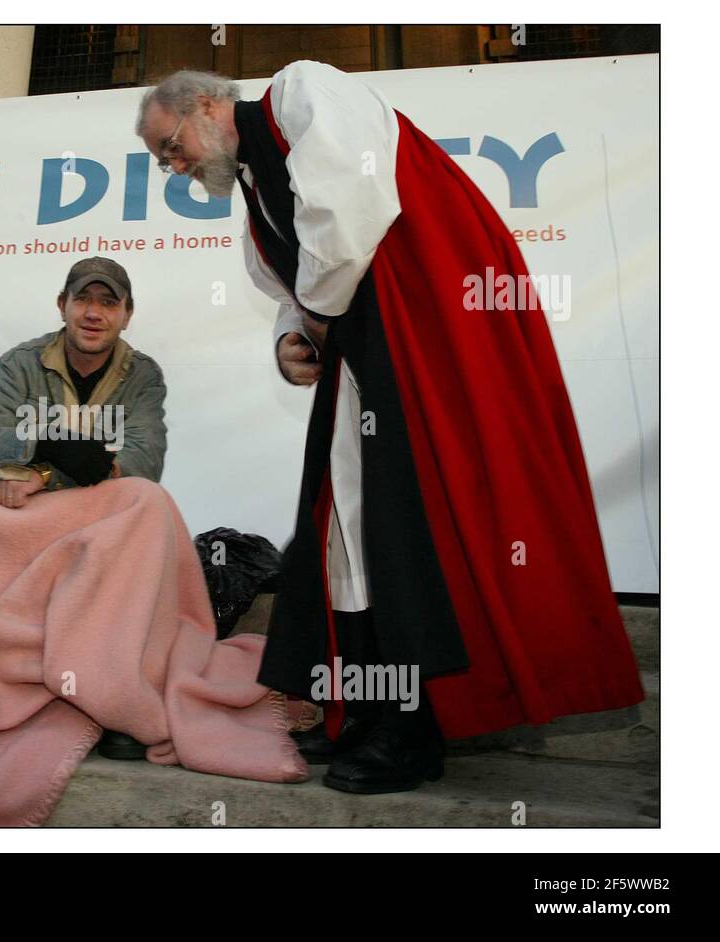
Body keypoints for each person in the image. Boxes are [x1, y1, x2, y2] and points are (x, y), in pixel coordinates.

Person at [134, 62, 644, 793]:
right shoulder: (252, 198)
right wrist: (293, 339)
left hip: (430, 341)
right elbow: (295, 291)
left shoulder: (302, 93)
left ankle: (418, 726)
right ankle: (374, 710)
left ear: (210, 105)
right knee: (351, 530)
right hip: (368, 353)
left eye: (169, 144)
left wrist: (314, 313)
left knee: (413, 522)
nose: (172, 167)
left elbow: (348, 219)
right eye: (162, 159)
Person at [0, 256, 168, 759]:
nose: (94, 313)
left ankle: (116, 694)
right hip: (27, 524)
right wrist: (43, 447)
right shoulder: (20, 363)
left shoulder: (144, 375)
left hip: (99, 526)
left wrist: (45, 474)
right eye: (83, 300)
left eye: (108, 303)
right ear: (62, 306)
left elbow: (143, 460)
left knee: (149, 502)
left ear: (126, 315)